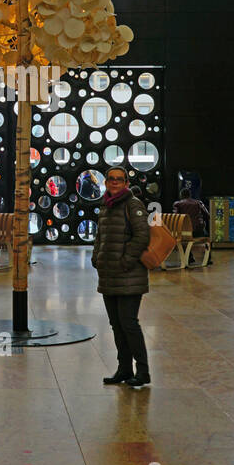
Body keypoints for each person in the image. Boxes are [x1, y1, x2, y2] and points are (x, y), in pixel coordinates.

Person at [91, 165, 151, 388]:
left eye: (119, 179)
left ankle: (142, 371)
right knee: (116, 325)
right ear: (106, 182)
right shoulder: (105, 206)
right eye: (111, 179)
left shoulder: (133, 204)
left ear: (126, 183)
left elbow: (142, 236)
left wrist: (125, 261)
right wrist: (96, 257)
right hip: (108, 276)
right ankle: (124, 369)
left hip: (128, 276)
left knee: (129, 323)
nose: (114, 182)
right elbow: (100, 235)